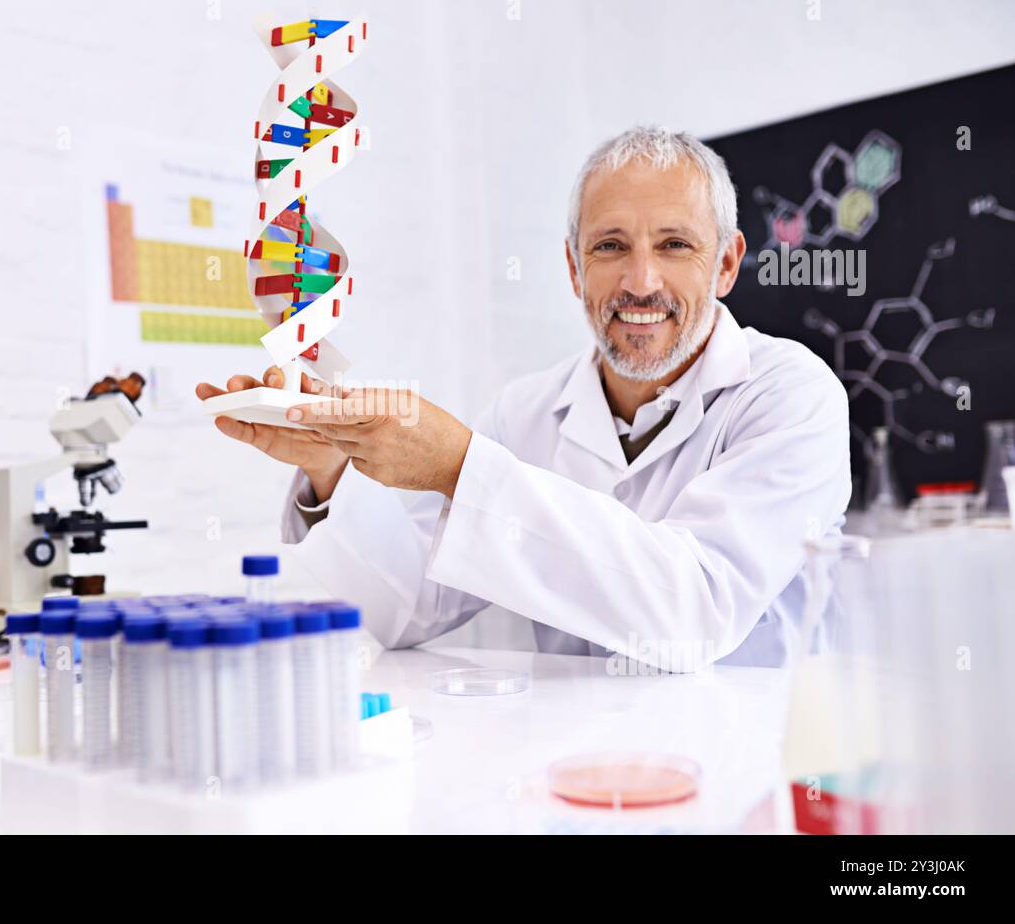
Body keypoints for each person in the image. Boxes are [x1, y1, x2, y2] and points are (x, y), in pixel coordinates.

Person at [196, 126, 851, 671]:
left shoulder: (791, 396)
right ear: (573, 268)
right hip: (580, 770)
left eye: (675, 245)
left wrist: (459, 464)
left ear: (727, 265)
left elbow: (695, 609)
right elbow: (411, 608)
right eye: (610, 246)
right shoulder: (524, 411)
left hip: (752, 775)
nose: (641, 280)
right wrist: (329, 467)